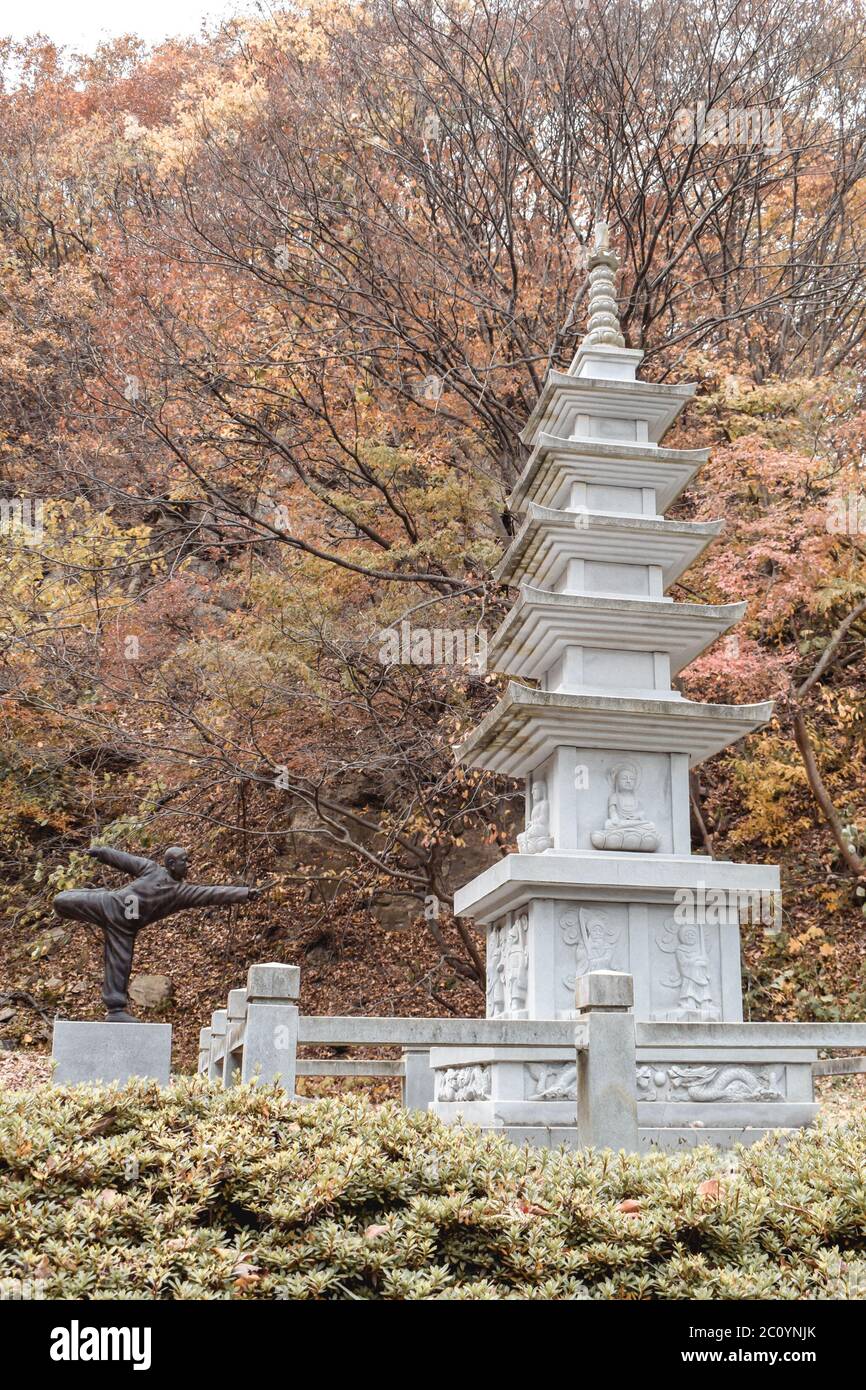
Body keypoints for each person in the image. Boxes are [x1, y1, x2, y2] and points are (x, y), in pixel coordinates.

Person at [53, 845, 262, 1021]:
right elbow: (125, 860)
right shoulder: (151, 869)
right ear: (171, 864)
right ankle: (93, 893)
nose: (187, 865)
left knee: (119, 965)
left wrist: (244, 893)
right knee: (60, 901)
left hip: (124, 929)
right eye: (184, 861)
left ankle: (115, 1010)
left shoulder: (182, 893)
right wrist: (102, 852)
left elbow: (212, 893)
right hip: (108, 904)